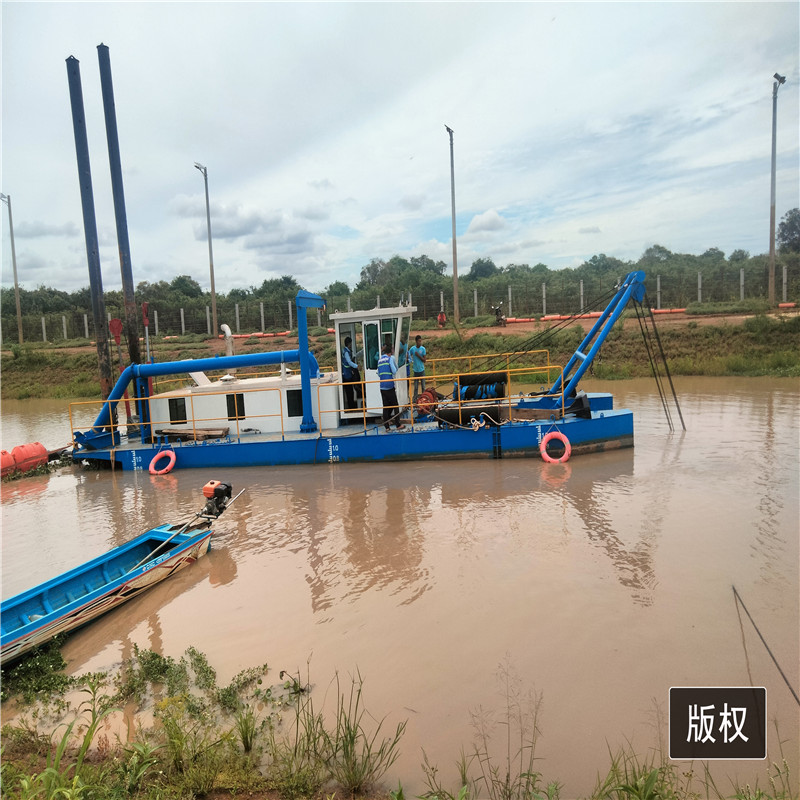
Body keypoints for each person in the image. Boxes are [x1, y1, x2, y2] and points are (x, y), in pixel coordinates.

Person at [377, 343, 402, 431]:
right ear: (389, 353)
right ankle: (398, 424)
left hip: (382, 386)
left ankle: (387, 427)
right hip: (389, 386)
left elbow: (379, 374)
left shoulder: (379, 360)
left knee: (386, 406)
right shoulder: (389, 359)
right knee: (395, 405)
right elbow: (394, 371)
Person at [341, 336, 361, 409]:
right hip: (346, 375)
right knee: (349, 392)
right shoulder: (346, 352)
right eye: (351, 343)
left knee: (351, 391)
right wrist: (356, 366)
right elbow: (349, 362)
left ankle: (352, 406)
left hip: (348, 373)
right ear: (349, 343)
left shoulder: (347, 351)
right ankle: (351, 407)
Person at [408, 334, 427, 403]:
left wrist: (418, 356)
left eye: (420, 341)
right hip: (415, 371)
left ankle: (424, 399)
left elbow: (425, 360)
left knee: (423, 386)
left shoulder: (423, 349)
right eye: (419, 341)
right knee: (415, 387)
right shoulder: (413, 349)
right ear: (416, 341)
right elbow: (408, 354)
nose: (420, 342)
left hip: (422, 370)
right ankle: (414, 400)